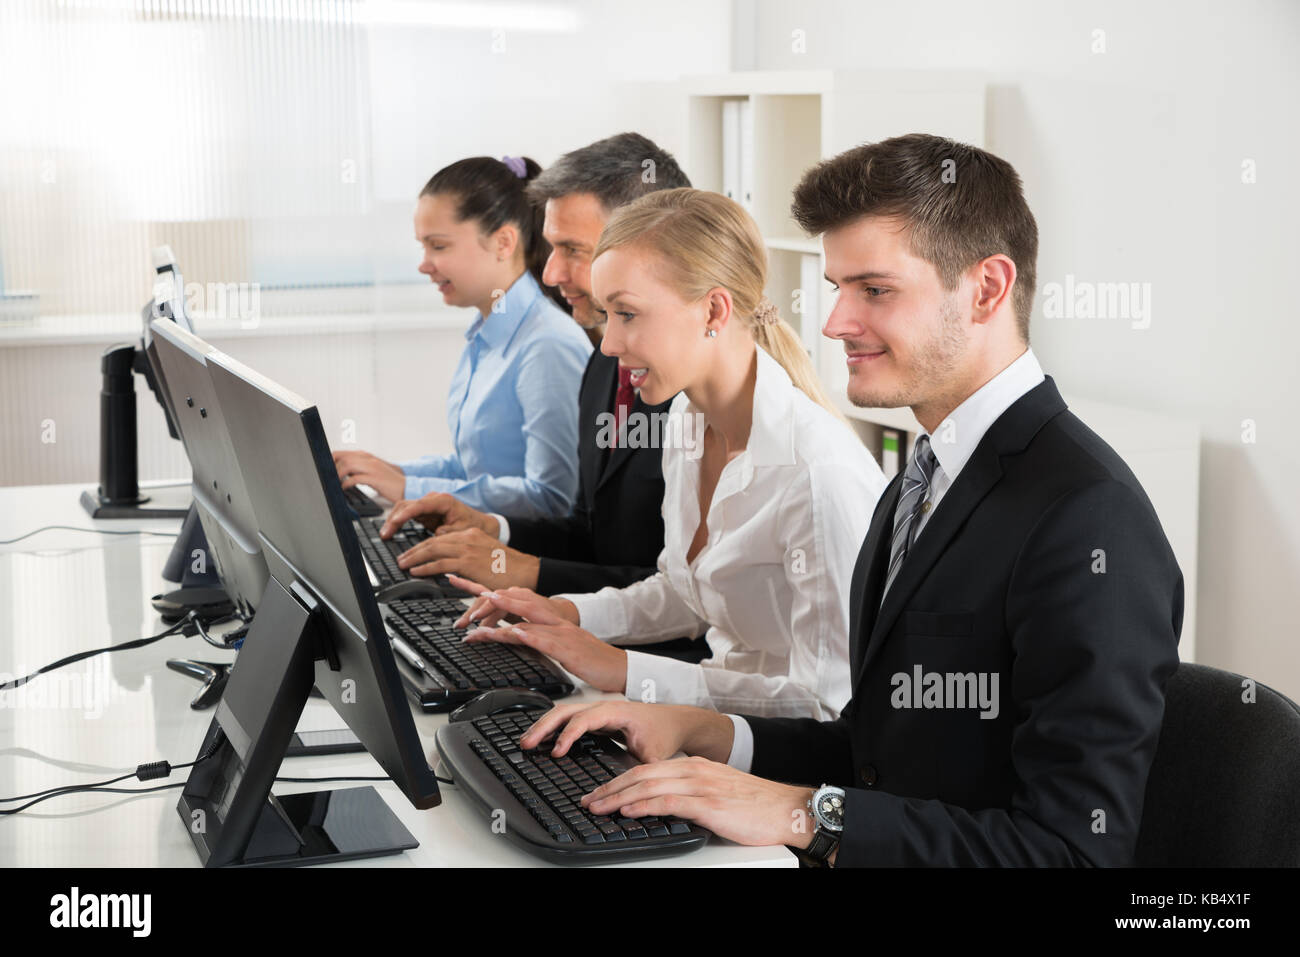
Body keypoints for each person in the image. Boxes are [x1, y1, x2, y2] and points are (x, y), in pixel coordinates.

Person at [516, 134, 1183, 868]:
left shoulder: (1088, 515)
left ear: (988, 288)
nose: (834, 322)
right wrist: (704, 733)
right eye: (837, 289)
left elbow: (1072, 854)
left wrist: (806, 811)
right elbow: (874, 750)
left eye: (875, 290)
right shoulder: (923, 477)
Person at [454, 188, 887, 720]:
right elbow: (686, 594)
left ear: (713, 309)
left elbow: (826, 706)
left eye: (628, 314)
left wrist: (626, 671)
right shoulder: (686, 420)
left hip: (777, 763)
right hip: (714, 726)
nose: (609, 343)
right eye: (607, 313)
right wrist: (563, 613)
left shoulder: (817, 475)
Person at [376, 134, 693, 607]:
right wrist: (493, 528)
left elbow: (691, 599)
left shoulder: (701, 396)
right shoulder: (607, 364)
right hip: (601, 630)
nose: (549, 274)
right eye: (552, 247)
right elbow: (589, 530)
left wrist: (524, 570)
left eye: (573, 249)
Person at [332, 156, 591, 521]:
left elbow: (550, 500)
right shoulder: (487, 334)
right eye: (423, 246)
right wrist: (389, 472)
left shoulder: (547, 345)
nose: (424, 263)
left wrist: (408, 489)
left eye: (438, 246)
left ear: (503, 242)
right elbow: (478, 471)